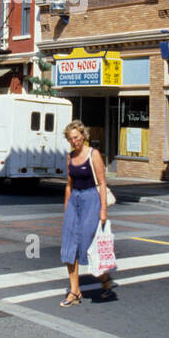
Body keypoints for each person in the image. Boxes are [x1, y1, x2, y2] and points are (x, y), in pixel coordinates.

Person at [60, 119, 109, 305]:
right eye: (71, 138)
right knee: (69, 244)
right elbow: (69, 185)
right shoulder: (70, 157)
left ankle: (105, 279)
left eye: (77, 137)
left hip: (91, 199)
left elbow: (103, 183)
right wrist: (67, 210)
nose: (74, 141)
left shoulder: (93, 154)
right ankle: (74, 291)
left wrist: (103, 210)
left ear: (83, 136)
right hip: (74, 200)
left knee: (88, 244)